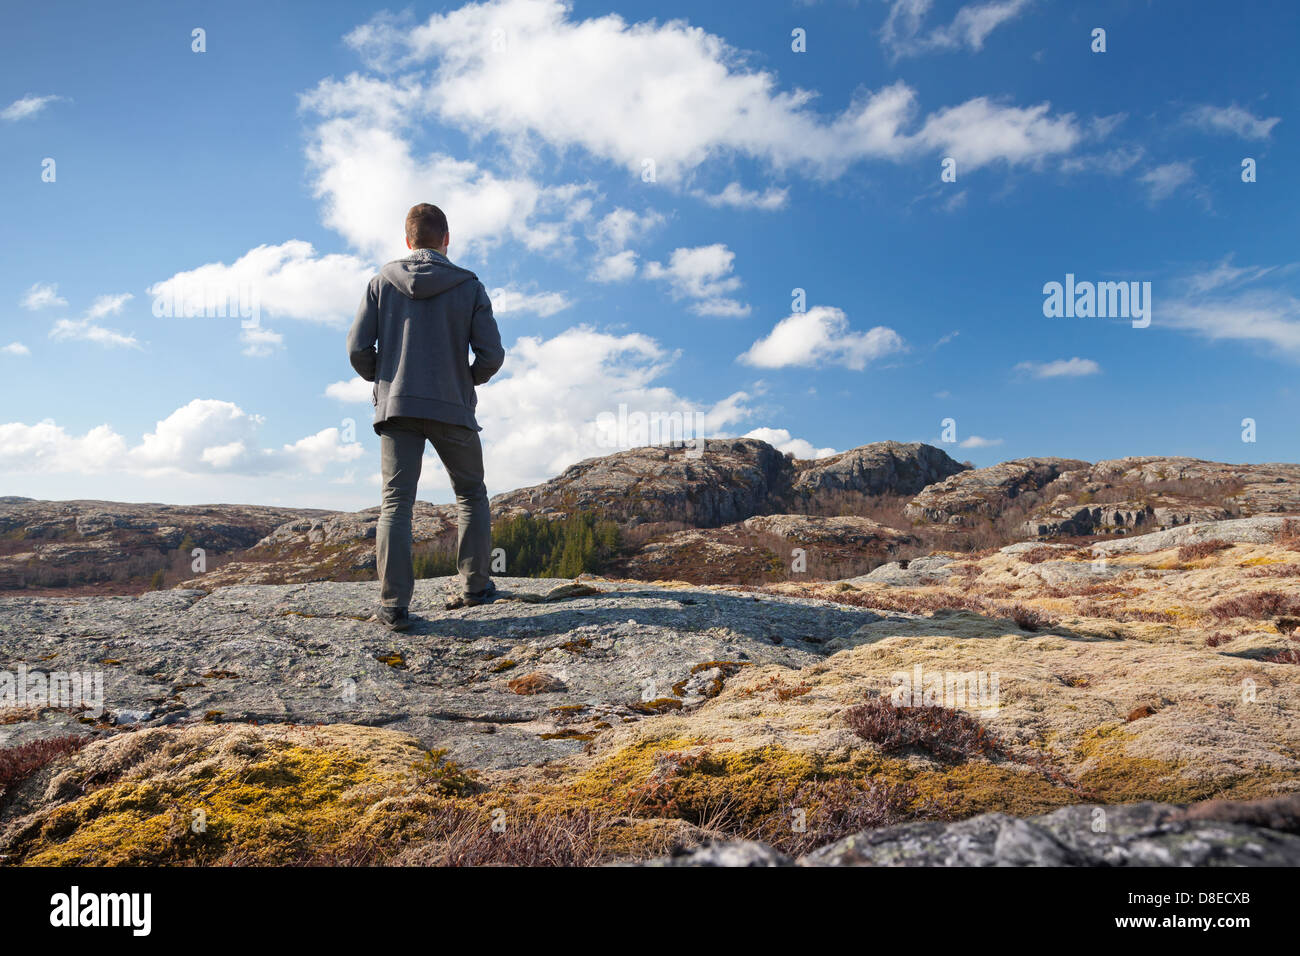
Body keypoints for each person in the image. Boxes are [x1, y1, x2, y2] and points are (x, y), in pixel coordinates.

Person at [346, 203, 505, 630]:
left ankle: (393, 606)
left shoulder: (381, 283)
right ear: (446, 240)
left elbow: (358, 350)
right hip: (453, 406)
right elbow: (492, 354)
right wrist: (465, 381)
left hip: (398, 407)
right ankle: (476, 587)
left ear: (408, 240)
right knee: (471, 494)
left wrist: (385, 380)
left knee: (396, 502)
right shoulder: (469, 286)